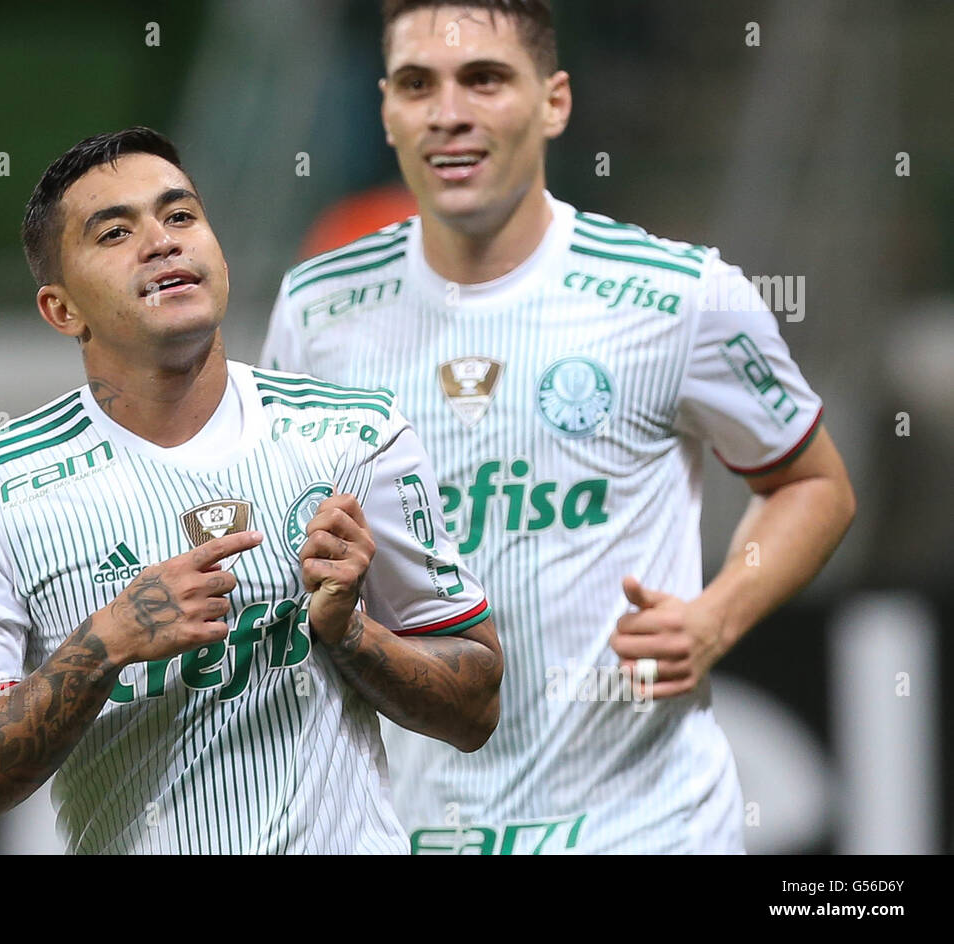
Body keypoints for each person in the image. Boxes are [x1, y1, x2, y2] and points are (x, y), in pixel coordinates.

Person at [261, 1, 855, 853]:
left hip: (645, 827)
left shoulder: (680, 296)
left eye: (486, 79)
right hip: (409, 828)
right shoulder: (320, 306)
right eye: (419, 84)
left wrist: (716, 616)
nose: (450, 112)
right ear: (387, 108)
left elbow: (811, 483)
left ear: (555, 102)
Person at [0, 127, 502, 854]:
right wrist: (105, 644)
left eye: (180, 216)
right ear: (62, 310)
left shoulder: (356, 435)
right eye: (115, 232)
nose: (161, 242)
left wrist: (352, 635)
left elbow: (476, 706)